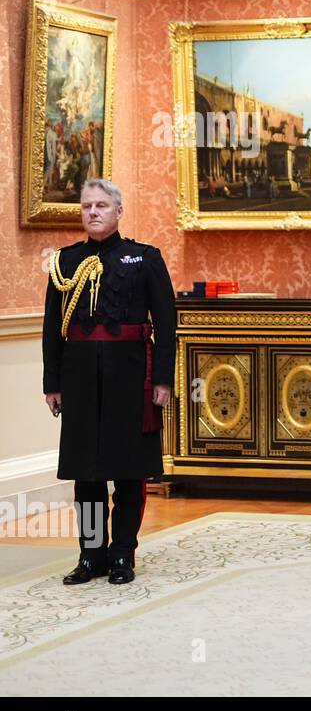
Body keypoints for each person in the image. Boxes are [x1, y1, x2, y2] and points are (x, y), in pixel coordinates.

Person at [43, 179, 176, 586]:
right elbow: (53, 327)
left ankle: (122, 554)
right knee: (87, 473)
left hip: (131, 378)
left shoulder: (145, 257)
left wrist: (163, 380)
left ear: (119, 211)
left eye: (102, 205)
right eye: (87, 207)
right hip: (80, 379)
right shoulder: (64, 263)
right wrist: (52, 382)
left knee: (128, 470)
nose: (93, 213)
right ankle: (91, 555)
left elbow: (167, 323)